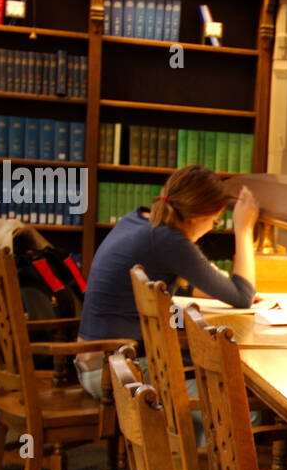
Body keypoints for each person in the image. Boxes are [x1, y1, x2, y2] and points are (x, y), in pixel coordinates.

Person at [75, 165, 260, 399]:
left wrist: (218, 291)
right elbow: (242, 296)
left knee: (214, 374)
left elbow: (185, 286)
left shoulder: (138, 221)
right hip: (115, 373)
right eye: (214, 220)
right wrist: (244, 229)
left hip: (97, 364)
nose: (213, 227)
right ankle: (185, 435)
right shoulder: (168, 240)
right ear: (196, 218)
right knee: (237, 399)